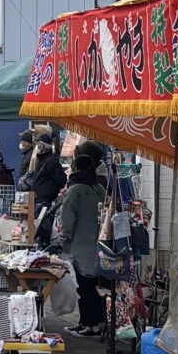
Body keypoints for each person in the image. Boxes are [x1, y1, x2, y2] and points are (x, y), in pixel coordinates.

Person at [52, 144, 112, 333]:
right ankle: (101, 321)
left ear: (76, 168)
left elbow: (68, 218)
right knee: (98, 285)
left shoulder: (75, 190)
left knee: (84, 286)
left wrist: (63, 238)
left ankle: (88, 323)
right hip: (100, 246)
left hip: (80, 245)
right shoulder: (99, 189)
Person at [25, 132, 68, 242]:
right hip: (40, 200)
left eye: (39, 145)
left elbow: (61, 179)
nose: (37, 148)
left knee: (42, 229)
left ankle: (43, 246)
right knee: (39, 227)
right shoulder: (44, 160)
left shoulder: (50, 161)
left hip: (44, 201)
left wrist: (50, 190)